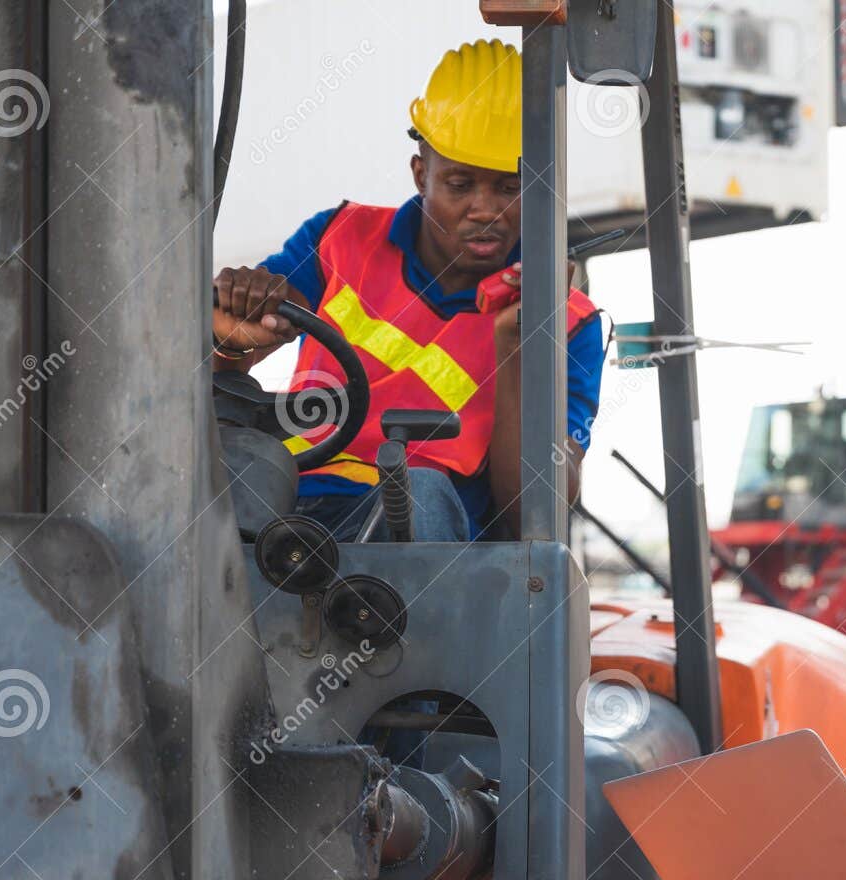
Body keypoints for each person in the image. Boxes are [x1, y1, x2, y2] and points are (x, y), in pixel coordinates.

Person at [210, 39, 606, 542]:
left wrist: (521, 348)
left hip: (424, 546)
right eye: (460, 184)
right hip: (289, 507)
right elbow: (238, 351)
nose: (484, 209)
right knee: (217, 476)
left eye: (510, 186)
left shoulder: (569, 323)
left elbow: (534, 514)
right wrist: (232, 339)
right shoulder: (338, 238)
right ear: (422, 174)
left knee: (419, 495)